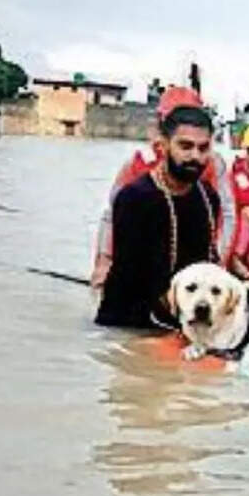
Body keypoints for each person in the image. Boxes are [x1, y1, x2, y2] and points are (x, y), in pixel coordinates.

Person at [90, 87, 231, 290]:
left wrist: (219, 263)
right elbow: (111, 215)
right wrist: (103, 262)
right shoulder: (138, 163)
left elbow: (227, 214)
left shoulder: (213, 163)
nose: (194, 154)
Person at [94, 105, 221, 329]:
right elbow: (128, 278)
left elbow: (206, 264)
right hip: (129, 321)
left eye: (203, 148)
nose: (195, 156)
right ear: (163, 145)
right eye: (185, 146)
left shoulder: (208, 198)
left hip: (184, 320)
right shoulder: (134, 198)